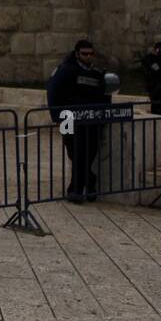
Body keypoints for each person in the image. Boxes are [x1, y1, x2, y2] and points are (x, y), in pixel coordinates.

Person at [47, 38, 108, 202]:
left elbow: (105, 97)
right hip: (68, 119)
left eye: (91, 54)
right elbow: (53, 92)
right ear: (77, 54)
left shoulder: (97, 73)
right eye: (84, 54)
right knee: (75, 153)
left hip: (91, 120)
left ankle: (83, 187)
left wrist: (104, 118)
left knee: (88, 154)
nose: (88, 57)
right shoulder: (66, 70)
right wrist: (56, 117)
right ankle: (79, 188)